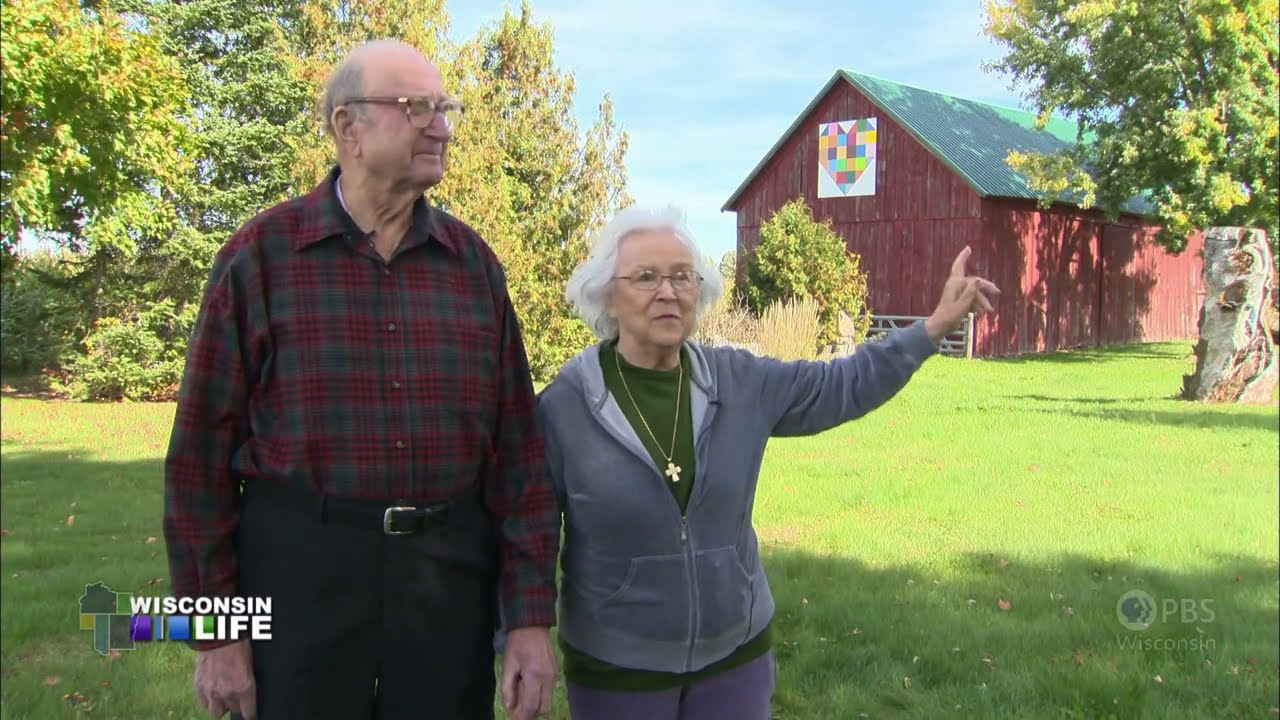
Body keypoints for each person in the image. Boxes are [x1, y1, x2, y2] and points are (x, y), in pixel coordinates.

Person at [162, 40, 559, 720]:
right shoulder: (260, 258)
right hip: (299, 575)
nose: (442, 126)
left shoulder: (473, 267)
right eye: (416, 108)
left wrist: (529, 622)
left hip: (446, 583)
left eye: (445, 108)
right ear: (349, 127)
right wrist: (214, 634)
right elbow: (198, 459)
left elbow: (519, 459)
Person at [535, 206, 999, 719]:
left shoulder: (741, 382)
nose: (668, 292)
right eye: (646, 277)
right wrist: (521, 632)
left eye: (682, 276)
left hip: (736, 657)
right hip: (617, 671)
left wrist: (930, 330)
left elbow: (840, 385)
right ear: (607, 296)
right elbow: (526, 532)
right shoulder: (564, 407)